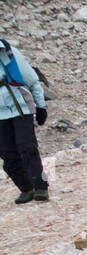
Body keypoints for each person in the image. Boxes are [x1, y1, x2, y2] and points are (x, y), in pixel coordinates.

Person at [0, 37, 48, 203]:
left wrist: (41, 107)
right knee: (7, 154)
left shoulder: (9, 52)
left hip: (21, 106)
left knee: (27, 147)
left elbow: (33, 81)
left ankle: (41, 186)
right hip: (0, 113)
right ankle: (26, 188)